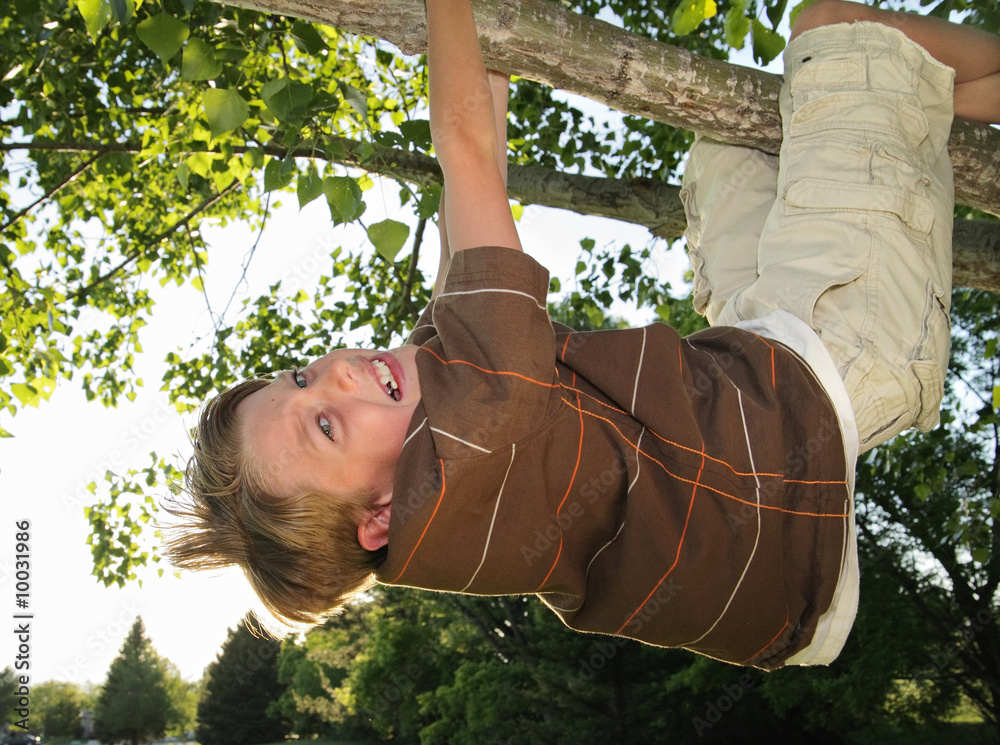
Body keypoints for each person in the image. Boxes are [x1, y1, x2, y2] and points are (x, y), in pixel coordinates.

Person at [164, 0, 1000, 669]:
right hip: (839, 356)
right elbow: (464, 148)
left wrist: (483, 35)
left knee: (734, 146)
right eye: (325, 424)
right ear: (379, 515)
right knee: (835, 33)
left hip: (760, 399)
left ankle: (915, 106)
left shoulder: (456, 500)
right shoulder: (481, 419)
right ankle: (909, 87)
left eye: (302, 376)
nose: (337, 374)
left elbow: (471, 176)